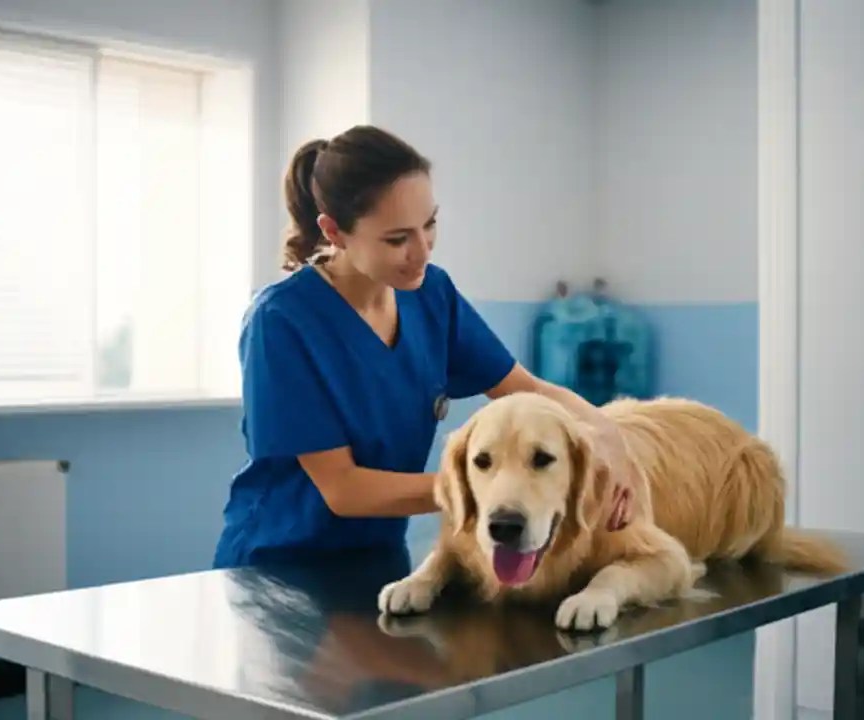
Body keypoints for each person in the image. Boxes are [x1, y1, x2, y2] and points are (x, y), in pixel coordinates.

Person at [211, 125, 635, 570]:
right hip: (279, 564)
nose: (422, 251)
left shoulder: (431, 294)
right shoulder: (281, 321)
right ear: (334, 231)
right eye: (397, 239)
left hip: (378, 554)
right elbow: (343, 489)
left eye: (429, 224)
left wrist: (610, 440)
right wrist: (477, 488)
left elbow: (523, 388)